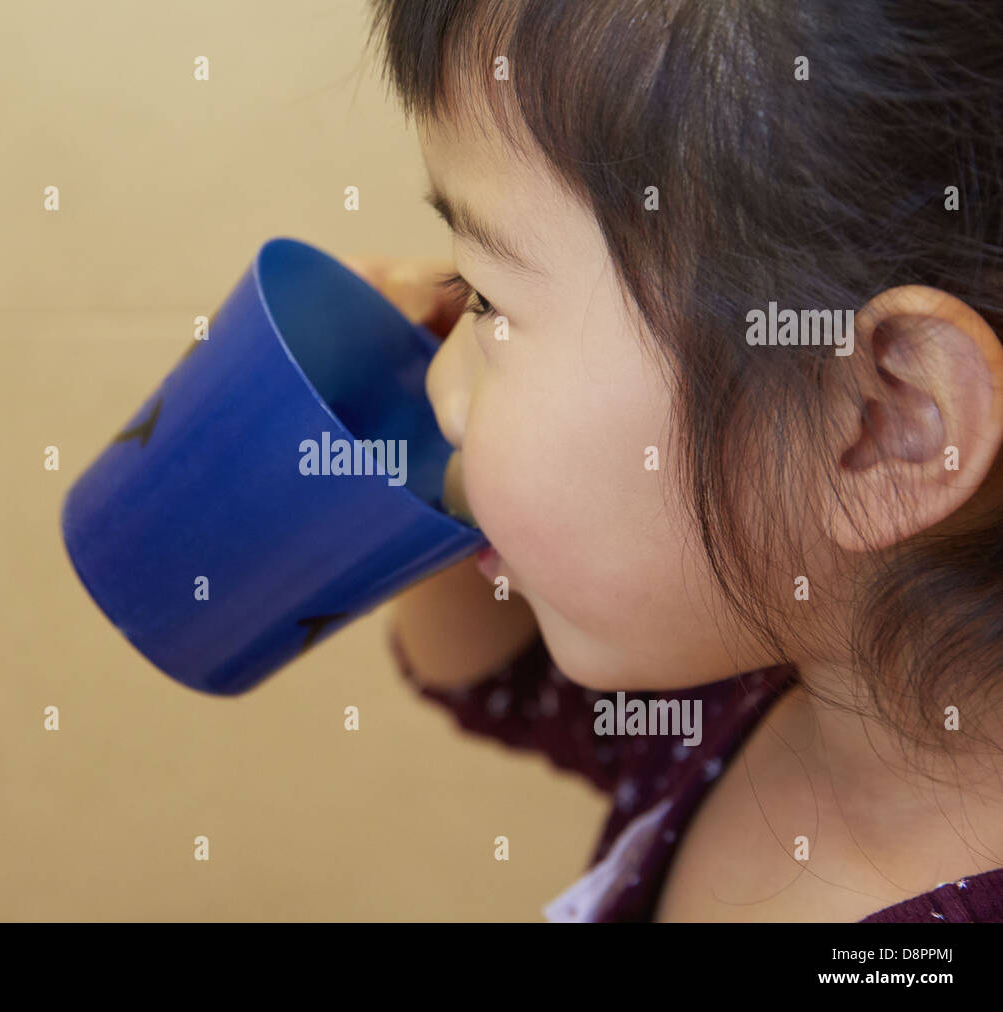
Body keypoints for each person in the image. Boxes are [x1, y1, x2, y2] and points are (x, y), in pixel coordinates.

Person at [350, 0, 1003, 922]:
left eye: (486, 299)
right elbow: (491, 676)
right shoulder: (758, 679)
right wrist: (405, 443)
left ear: (887, 421)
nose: (442, 387)